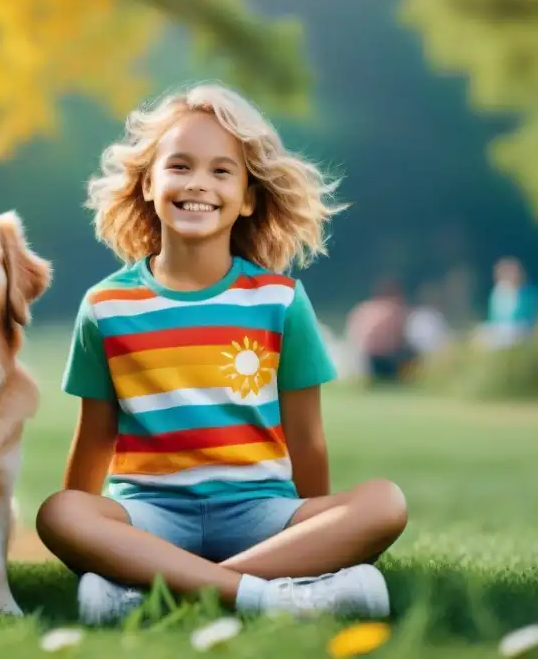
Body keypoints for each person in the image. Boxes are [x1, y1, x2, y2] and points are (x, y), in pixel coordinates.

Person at [35, 83, 408, 625]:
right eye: (179, 167)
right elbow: (95, 437)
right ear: (147, 184)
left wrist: (317, 536)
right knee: (59, 512)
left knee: (385, 503)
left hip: (262, 510)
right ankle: (271, 596)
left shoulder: (281, 301)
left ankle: (161, 589)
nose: (198, 185)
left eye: (221, 171)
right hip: (150, 511)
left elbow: (307, 438)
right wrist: (85, 535)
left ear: (248, 196)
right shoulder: (105, 305)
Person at [481, 257, 538, 348]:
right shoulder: (498, 293)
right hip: (500, 328)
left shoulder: (528, 293)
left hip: (522, 328)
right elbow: (494, 317)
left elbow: (531, 316)